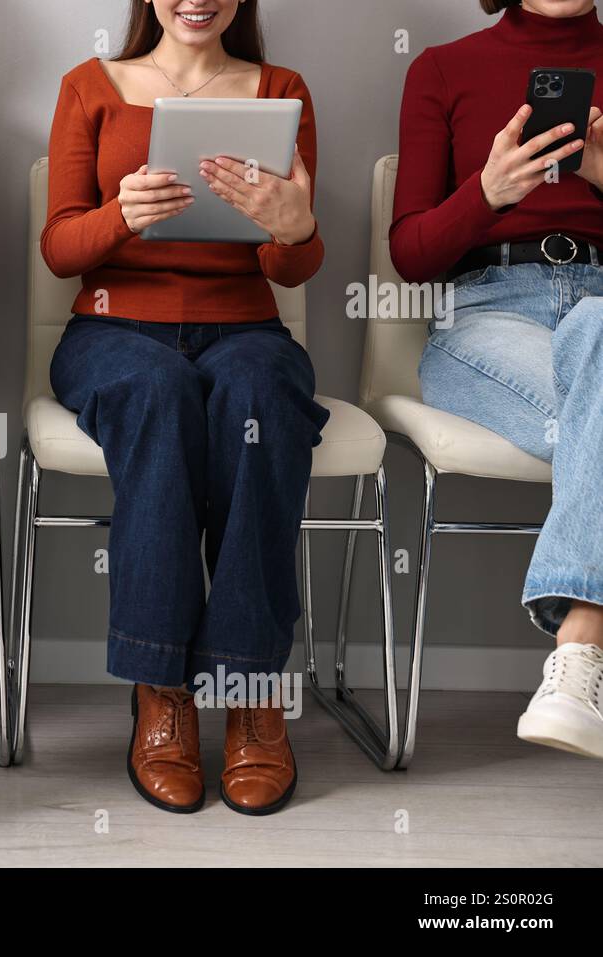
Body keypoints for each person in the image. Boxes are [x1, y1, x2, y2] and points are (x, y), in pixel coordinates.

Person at [42, 0, 327, 815]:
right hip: (112, 329)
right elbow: (59, 246)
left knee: (263, 394)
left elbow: (295, 267)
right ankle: (161, 684)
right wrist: (117, 218)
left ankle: (249, 685)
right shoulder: (90, 87)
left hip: (244, 327)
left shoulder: (283, 90)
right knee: (161, 394)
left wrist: (293, 224)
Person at [393, 0, 603, 760]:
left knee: (602, 331)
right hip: (483, 313)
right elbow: (410, 255)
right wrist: (487, 192)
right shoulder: (441, 69)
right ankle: (582, 649)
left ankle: (580, 650)